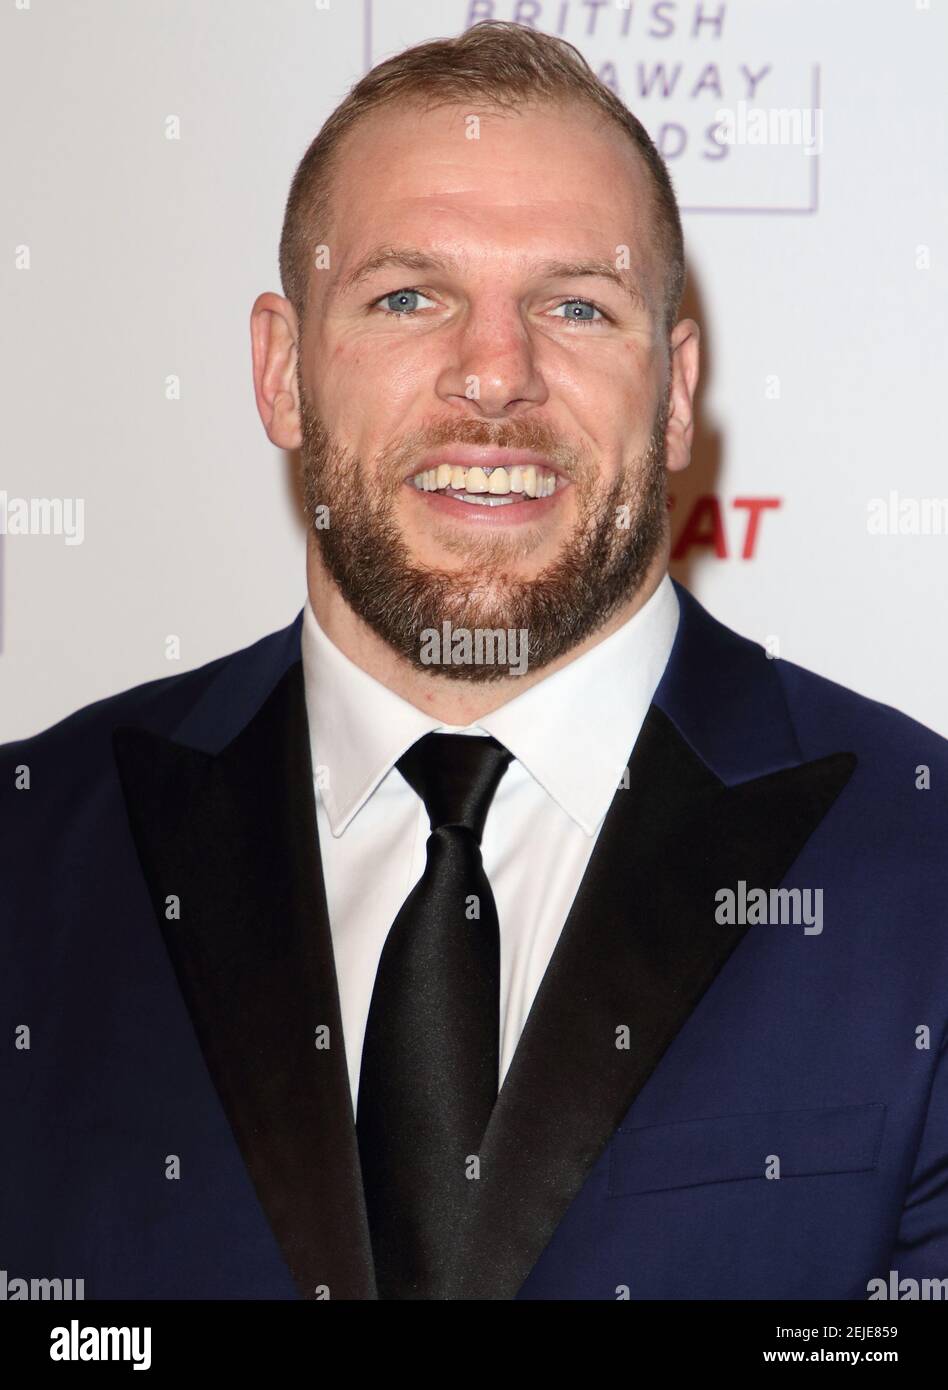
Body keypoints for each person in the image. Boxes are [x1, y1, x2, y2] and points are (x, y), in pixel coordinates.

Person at [2, 21, 946, 1302]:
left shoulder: (918, 867)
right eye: (407, 296)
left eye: (575, 304)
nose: (495, 376)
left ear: (674, 394)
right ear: (282, 371)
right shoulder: (35, 854)